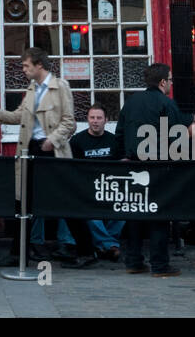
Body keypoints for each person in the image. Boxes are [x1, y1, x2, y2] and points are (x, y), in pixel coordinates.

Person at [0, 48, 88, 269]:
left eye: (27, 65)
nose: (24, 69)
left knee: (66, 201)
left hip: (52, 151)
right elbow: (20, 116)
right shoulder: (32, 89)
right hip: (30, 150)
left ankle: (87, 250)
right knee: (23, 203)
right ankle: (17, 254)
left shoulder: (61, 87)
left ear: (39, 65)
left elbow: (68, 121)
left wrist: (52, 140)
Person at [110, 62, 188, 277]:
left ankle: (134, 261)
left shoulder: (132, 102)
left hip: (133, 165)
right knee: (159, 215)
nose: (171, 83)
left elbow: (119, 133)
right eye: (170, 79)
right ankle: (160, 265)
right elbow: (176, 138)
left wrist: (118, 157)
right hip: (158, 166)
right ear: (163, 82)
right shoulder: (167, 103)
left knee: (134, 214)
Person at [65, 103, 125, 262]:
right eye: (92, 117)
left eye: (99, 118)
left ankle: (103, 245)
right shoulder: (77, 140)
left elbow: (123, 164)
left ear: (106, 120)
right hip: (87, 190)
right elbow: (72, 169)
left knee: (124, 211)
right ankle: (110, 245)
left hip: (111, 188)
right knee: (91, 214)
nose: (95, 121)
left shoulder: (114, 141)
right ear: (87, 119)